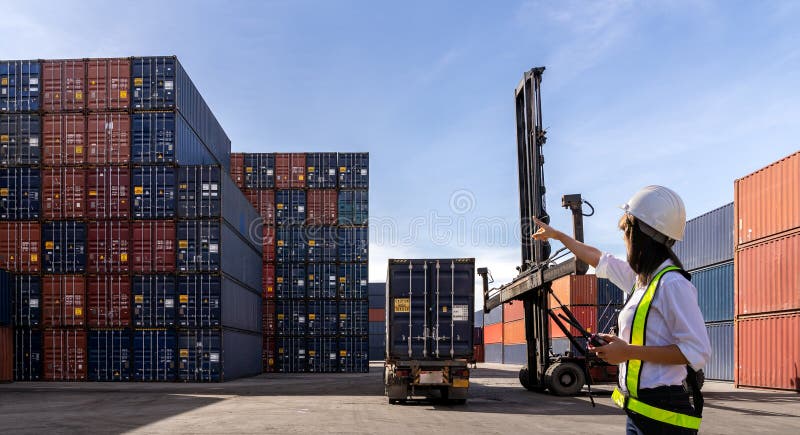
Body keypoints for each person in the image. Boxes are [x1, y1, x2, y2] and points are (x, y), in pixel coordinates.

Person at [531, 185, 711, 435]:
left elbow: (697, 351)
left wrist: (627, 351)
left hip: (663, 418)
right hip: (639, 413)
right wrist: (560, 236)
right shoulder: (643, 281)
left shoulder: (672, 284)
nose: (623, 239)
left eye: (625, 232)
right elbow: (598, 258)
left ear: (639, 235)